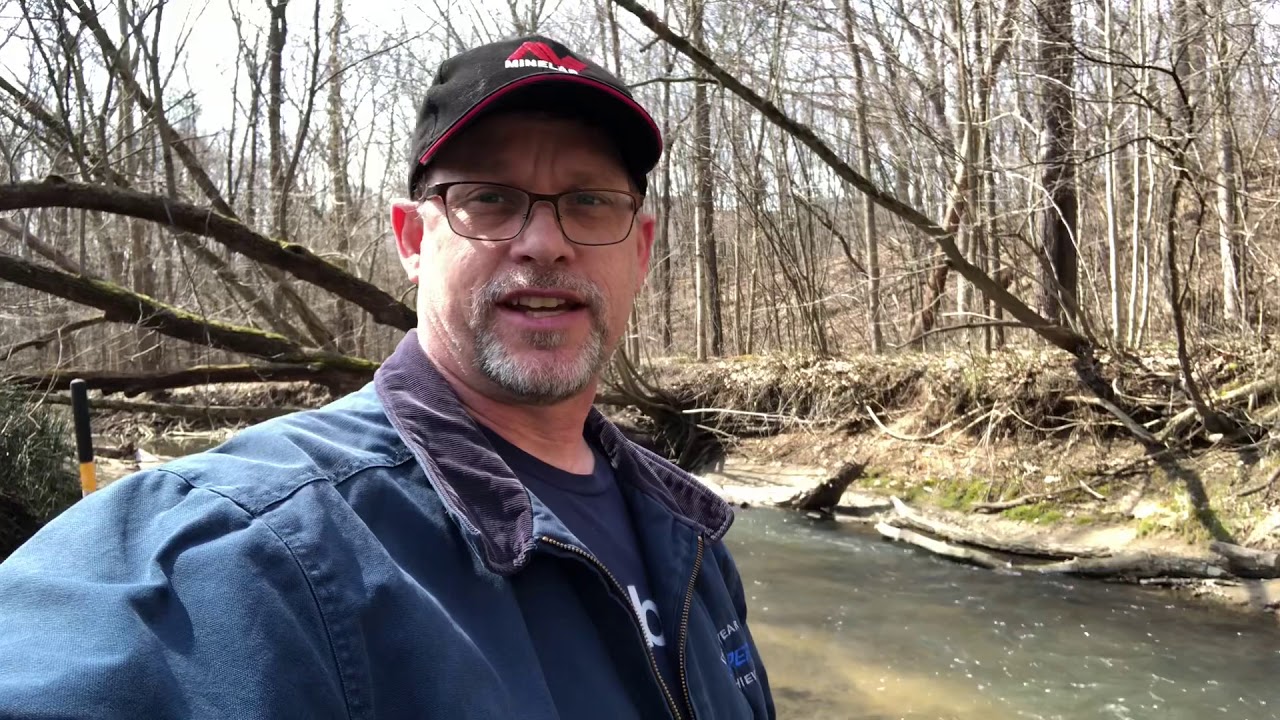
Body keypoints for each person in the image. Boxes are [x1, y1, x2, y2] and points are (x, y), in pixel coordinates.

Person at [0, 35, 775, 719]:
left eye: (590, 201)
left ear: (640, 249)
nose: (544, 242)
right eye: (489, 198)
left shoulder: (692, 538)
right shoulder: (266, 543)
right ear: (411, 238)